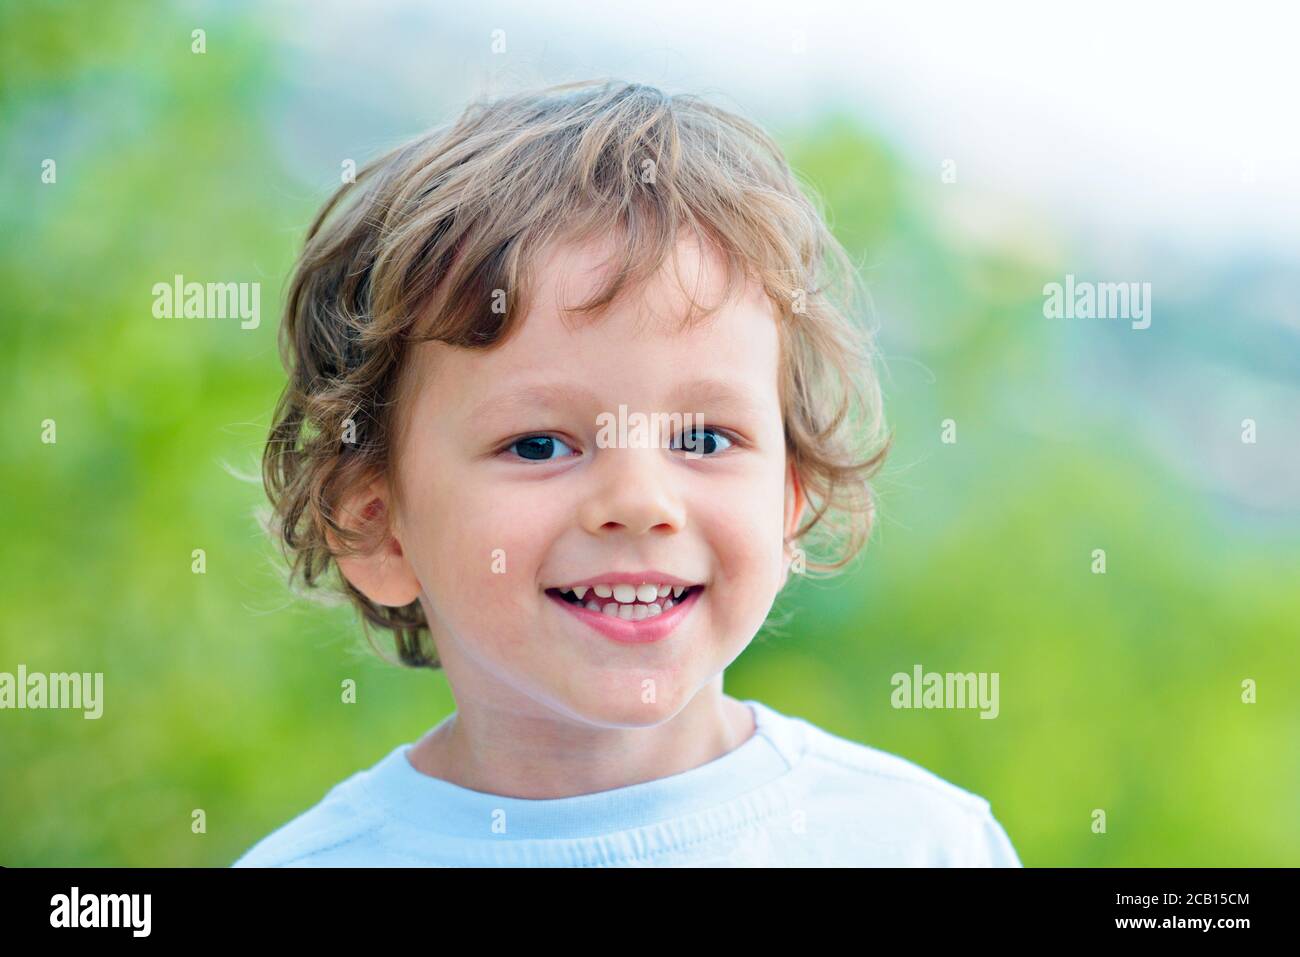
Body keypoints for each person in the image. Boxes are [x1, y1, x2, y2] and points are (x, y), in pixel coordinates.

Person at [233, 79, 1021, 867]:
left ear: (791, 499)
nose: (641, 503)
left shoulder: (918, 842)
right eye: (540, 445)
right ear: (376, 525)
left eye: (706, 439)